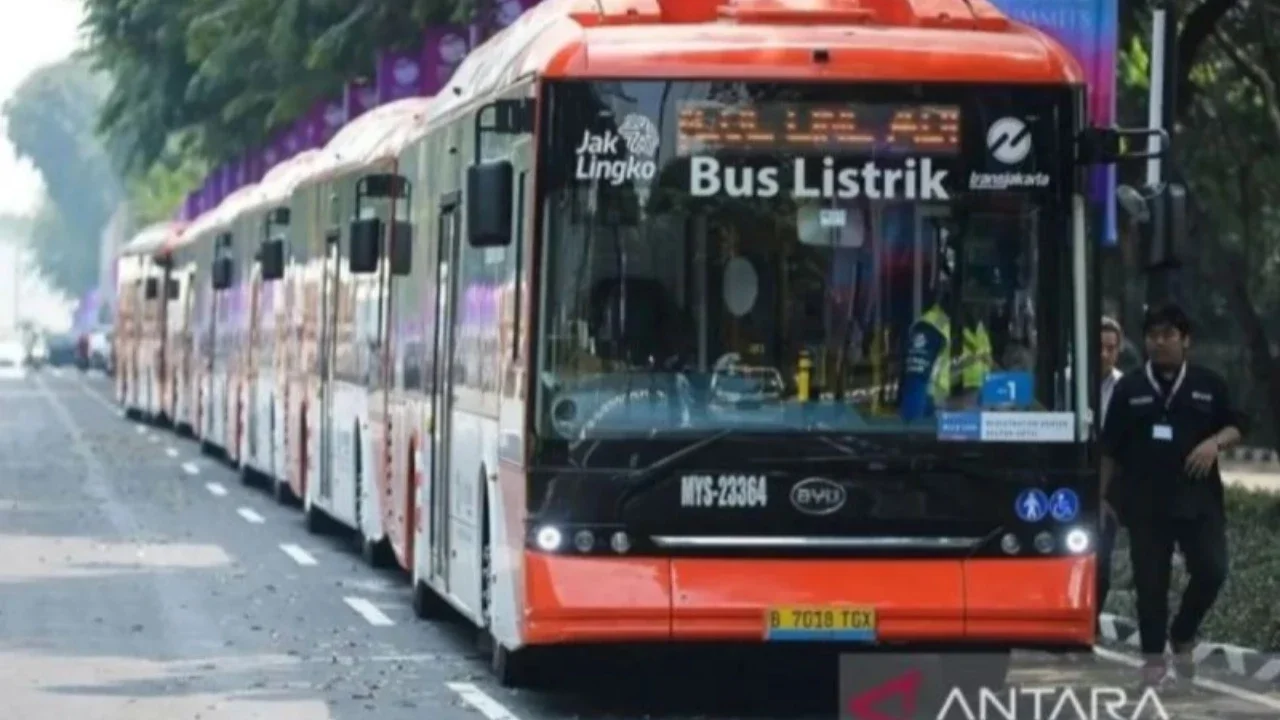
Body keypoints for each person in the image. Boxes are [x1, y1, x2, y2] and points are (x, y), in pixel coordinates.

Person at [1099, 302, 1243, 687]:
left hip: (1199, 501)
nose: (1159, 343)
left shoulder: (1208, 384)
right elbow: (1109, 449)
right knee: (1151, 585)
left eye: (1168, 335)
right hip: (1145, 503)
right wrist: (1101, 499)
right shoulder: (1129, 388)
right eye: (1152, 336)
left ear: (1185, 340)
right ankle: (1152, 661)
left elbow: (1235, 426)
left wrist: (1215, 443)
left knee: (1213, 570)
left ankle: (1182, 632)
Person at [1095, 316, 1125, 632]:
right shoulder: (1063, 379)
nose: (1104, 354)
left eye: (1111, 348)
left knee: (1101, 560)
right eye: (1099, 347)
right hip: (1070, 478)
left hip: (1108, 489)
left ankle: (1090, 622)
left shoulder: (1124, 388)